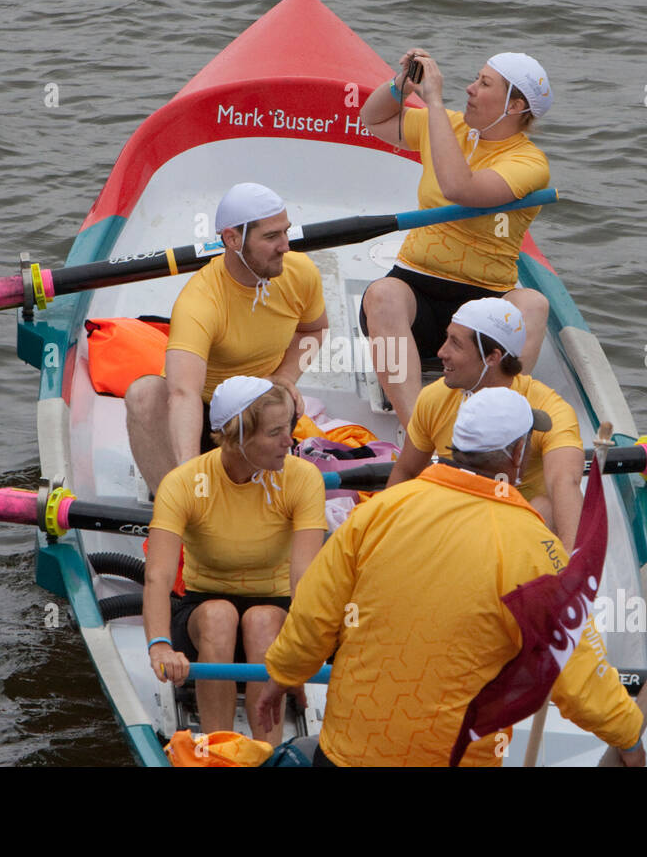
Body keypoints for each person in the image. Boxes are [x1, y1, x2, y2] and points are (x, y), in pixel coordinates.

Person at [255, 387, 644, 766]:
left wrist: (282, 675)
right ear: (518, 454)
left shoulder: (381, 510)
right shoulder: (537, 549)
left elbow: (313, 613)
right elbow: (575, 669)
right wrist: (627, 736)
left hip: (350, 751)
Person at [358, 48, 553, 429]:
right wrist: (403, 84)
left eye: (483, 83)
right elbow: (372, 119)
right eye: (475, 78)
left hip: (484, 309)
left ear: (514, 106)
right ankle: (418, 428)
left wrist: (432, 101)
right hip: (418, 299)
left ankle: (492, 421)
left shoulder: (529, 164)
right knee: (382, 293)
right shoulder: (447, 127)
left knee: (533, 303)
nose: (470, 88)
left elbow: (457, 188)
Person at [144, 376, 328, 745]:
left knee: (262, 620)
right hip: (203, 620)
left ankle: (267, 749)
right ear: (238, 436)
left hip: (275, 617)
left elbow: (304, 578)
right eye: (275, 432)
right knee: (219, 614)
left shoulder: (303, 477)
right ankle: (221, 748)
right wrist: (160, 645)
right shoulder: (184, 483)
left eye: (288, 428)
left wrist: (301, 653)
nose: (289, 441)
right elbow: (158, 577)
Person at [125, 183, 328, 494]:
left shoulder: (300, 273)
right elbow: (183, 394)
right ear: (232, 239)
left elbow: (313, 329)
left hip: (257, 406)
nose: (285, 246)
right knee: (143, 394)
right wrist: (190, 472)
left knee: (279, 400)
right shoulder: (200, 301)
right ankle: (177, 500)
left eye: (286, 232)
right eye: (271, 236)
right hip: (201, 414)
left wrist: (284, 377)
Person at [386, 297, 584, 553]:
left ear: (493, 357)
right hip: (458, 516)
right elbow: (406, 472)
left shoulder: (549, 407)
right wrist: (387, 532)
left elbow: (564, 481)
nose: (441, 352)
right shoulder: (434, 398)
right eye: (447, 338)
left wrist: (574, 564)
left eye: (455, 344)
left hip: (519, 528)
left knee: (546, 507)